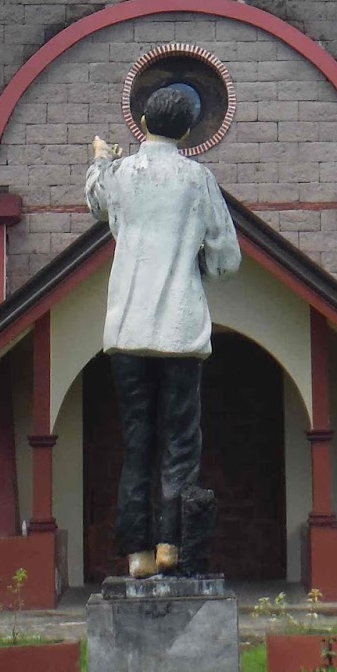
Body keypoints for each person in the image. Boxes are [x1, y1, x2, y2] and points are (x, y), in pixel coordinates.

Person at [86, 85, 240, 578]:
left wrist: (100, 160)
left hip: (127, 329)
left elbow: (97, 202)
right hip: (179, 330)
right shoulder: (198, 180)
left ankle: (135, 554)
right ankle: (172, 543)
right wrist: (196, 262)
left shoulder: (122, 173)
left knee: (136, 442)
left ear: (143, 123)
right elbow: (226, 258)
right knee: (180, 442)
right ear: (188, 130)